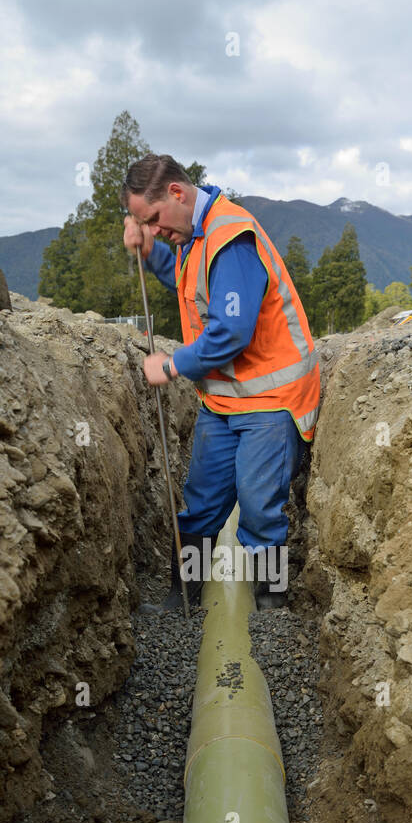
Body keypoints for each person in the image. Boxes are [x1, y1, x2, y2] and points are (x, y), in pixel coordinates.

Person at [120, 154, 321, 612]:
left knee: (258, 506)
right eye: (142, 224)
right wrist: (151, 253)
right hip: (224, 402)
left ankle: (270, 606)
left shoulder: (230, 237)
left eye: (152, 221)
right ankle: (184, 596)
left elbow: (231, 331)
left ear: (176, 193)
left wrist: (171, 366)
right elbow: (187, 280)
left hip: (271, 401)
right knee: (202, 503)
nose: (153, 229)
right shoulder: (194, 234)